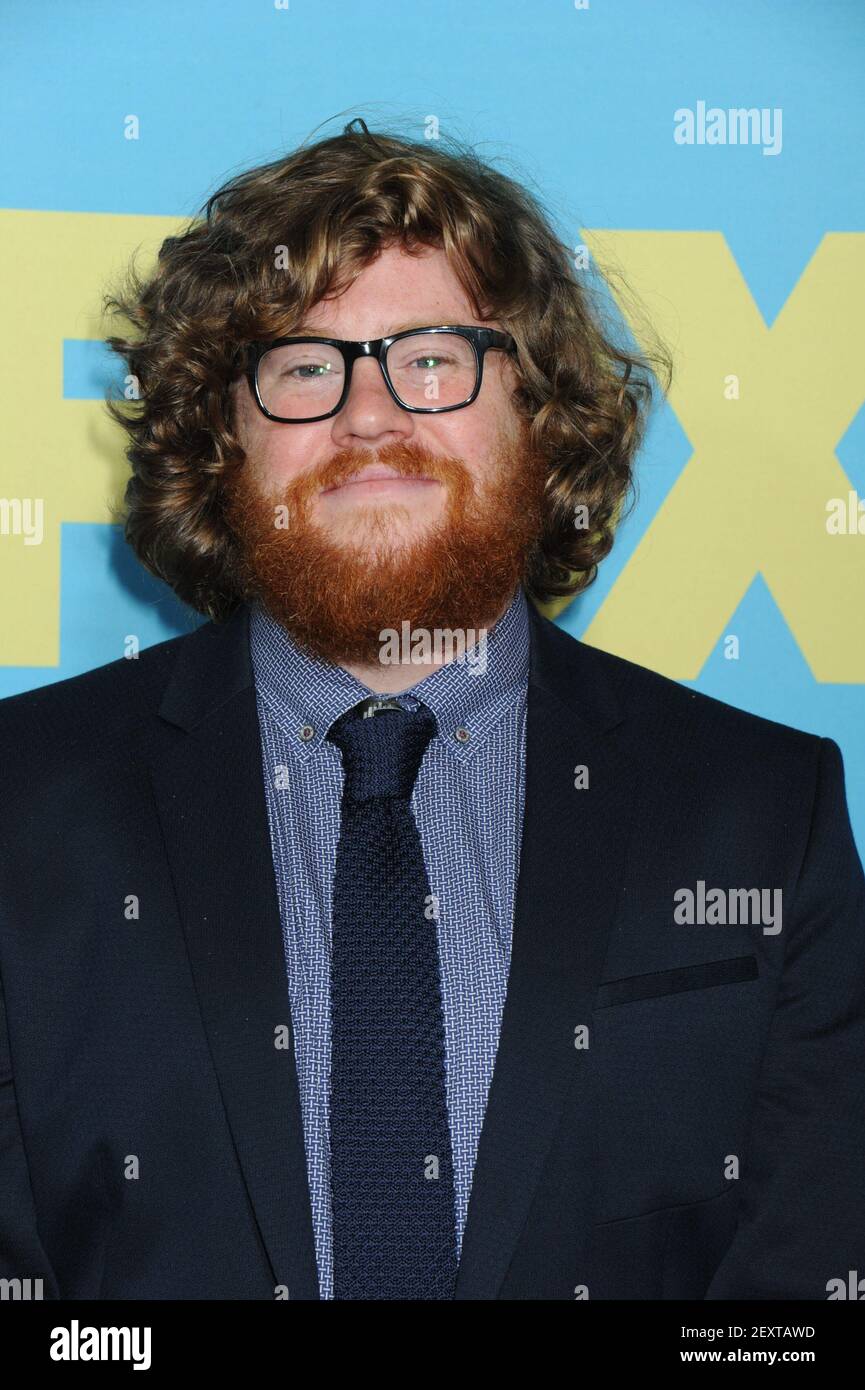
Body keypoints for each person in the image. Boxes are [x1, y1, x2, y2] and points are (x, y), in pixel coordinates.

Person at [1, 118, 862, 1301]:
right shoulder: (22, 804)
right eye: (304, 363)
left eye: (434, 356)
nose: (368, 416)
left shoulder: (763, 810)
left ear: (539, 408)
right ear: (220, 437)